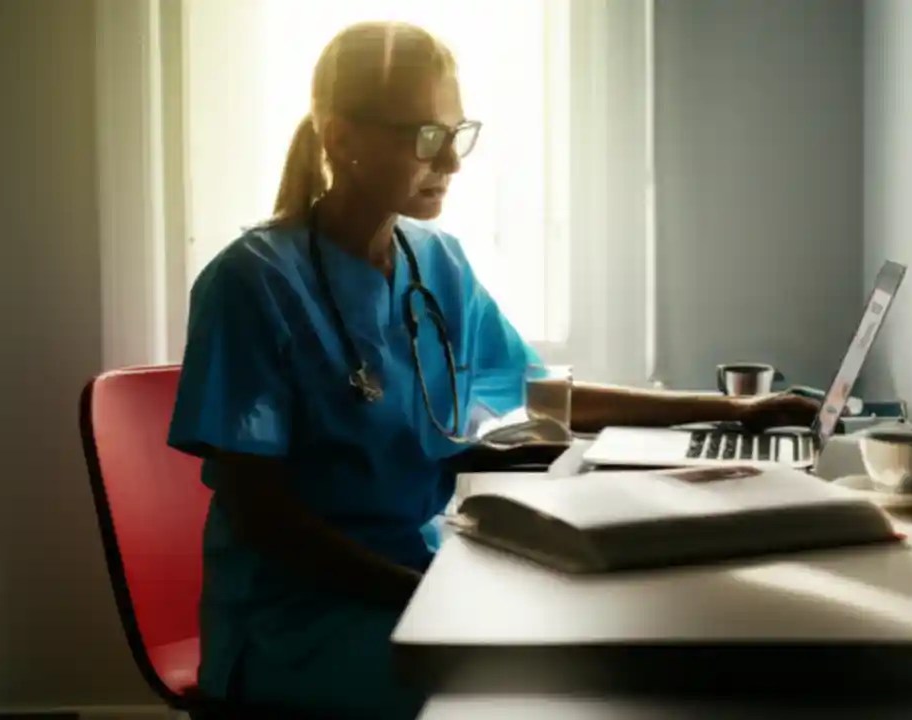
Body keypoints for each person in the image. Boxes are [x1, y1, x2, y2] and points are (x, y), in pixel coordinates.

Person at [167, 20, 818, 719]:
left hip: (418, 572)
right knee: (523, 694)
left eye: (456, 132)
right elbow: (264, 518)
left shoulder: (435, 261)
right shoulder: (251, 284)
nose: (450, 160)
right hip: (295, 619)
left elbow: (545, 397)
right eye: (423, 136)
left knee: (601, 650)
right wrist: (428, 595)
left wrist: (732, 412)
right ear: (342, 140)